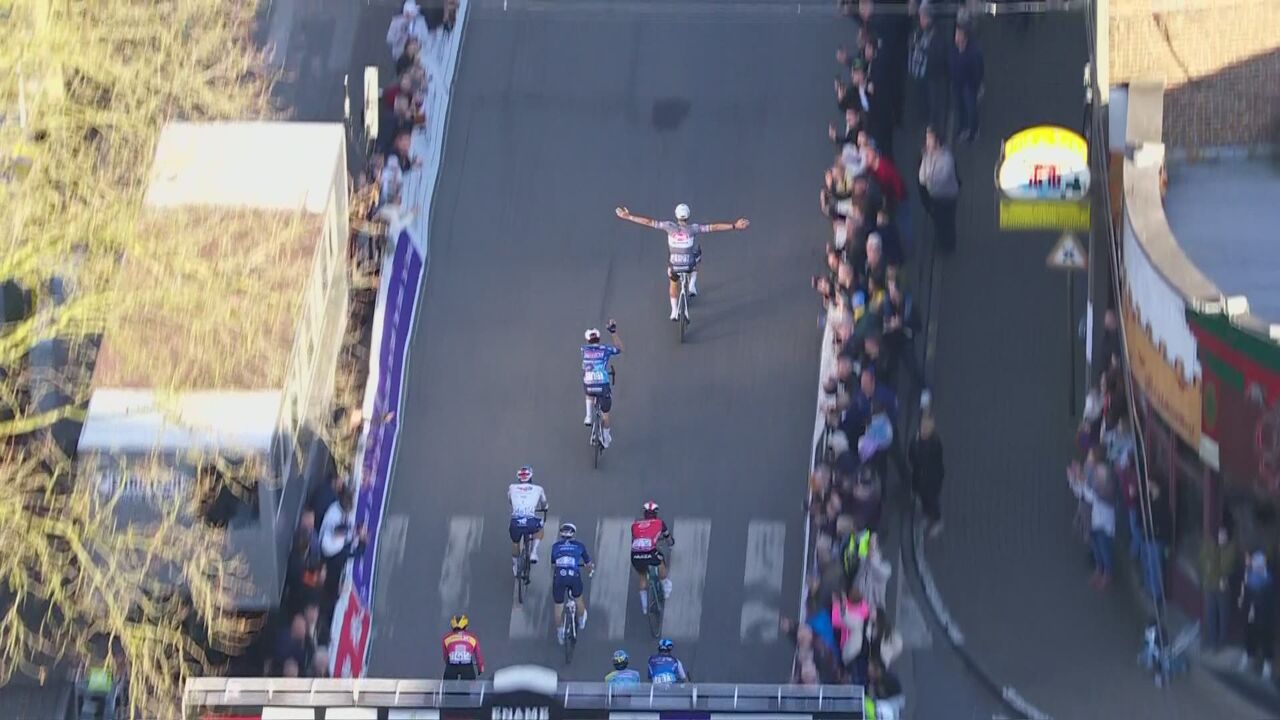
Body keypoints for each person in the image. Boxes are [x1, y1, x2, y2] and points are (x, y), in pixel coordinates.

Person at [614, 204, 750, 320]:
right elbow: (714, 227)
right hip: (689, 264)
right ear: (688, 216)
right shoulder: (693, 229)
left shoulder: (668, 226)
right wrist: (734, 225)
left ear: (676, 215)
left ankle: (674, 311)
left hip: (675, 266)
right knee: (698, 254)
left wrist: (628, 216)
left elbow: (648, 222)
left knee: (673, 283)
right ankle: (692, 285)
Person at [581, 321, 623, 448]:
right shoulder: (605, 349)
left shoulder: (583, 350)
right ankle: (605, 437)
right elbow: (620, 348)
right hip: (603, 385)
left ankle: (588, 416)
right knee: (606, 415)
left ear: (587, 340)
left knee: (587, 385)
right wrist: (613, 332)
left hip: (589, 385)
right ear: (599, 338)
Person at [551, 523, 594, 644]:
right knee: (578, 599)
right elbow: (588, 564)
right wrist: (590, 571)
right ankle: (581, 620)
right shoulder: (579, 546)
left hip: (559, 577)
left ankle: (560, 633)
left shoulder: (555, 546)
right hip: (573, 576)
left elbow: (553, 564)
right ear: (573, 534)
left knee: (558, 606)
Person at [631, 501, 675, 614]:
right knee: (660, 561)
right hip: (650, 551)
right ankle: (665, 585)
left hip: (635, 554)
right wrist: (671, 544)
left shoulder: (635, 525)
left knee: (642, 575)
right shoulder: (660, 523)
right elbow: (667, 537)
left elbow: (637, 538)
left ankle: (645, 606)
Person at [508, 465, 548, 575]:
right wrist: (545, 508)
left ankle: (515, 565)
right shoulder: (539, 489)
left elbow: (510, 501)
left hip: (516, 521)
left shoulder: (512, 487)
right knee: (540, 528)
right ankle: (534, 552)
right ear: (531, 477)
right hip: (530, 521)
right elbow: (544, 503)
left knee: (515, 543)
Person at [441, 615, 484, 680]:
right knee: (469, 687)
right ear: (466, 626)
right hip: (467, 666)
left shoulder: (446, 638)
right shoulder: (473, 638)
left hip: (452, 665)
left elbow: (445, 656)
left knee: (448, 686)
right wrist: (480, 667)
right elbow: (478, 655)